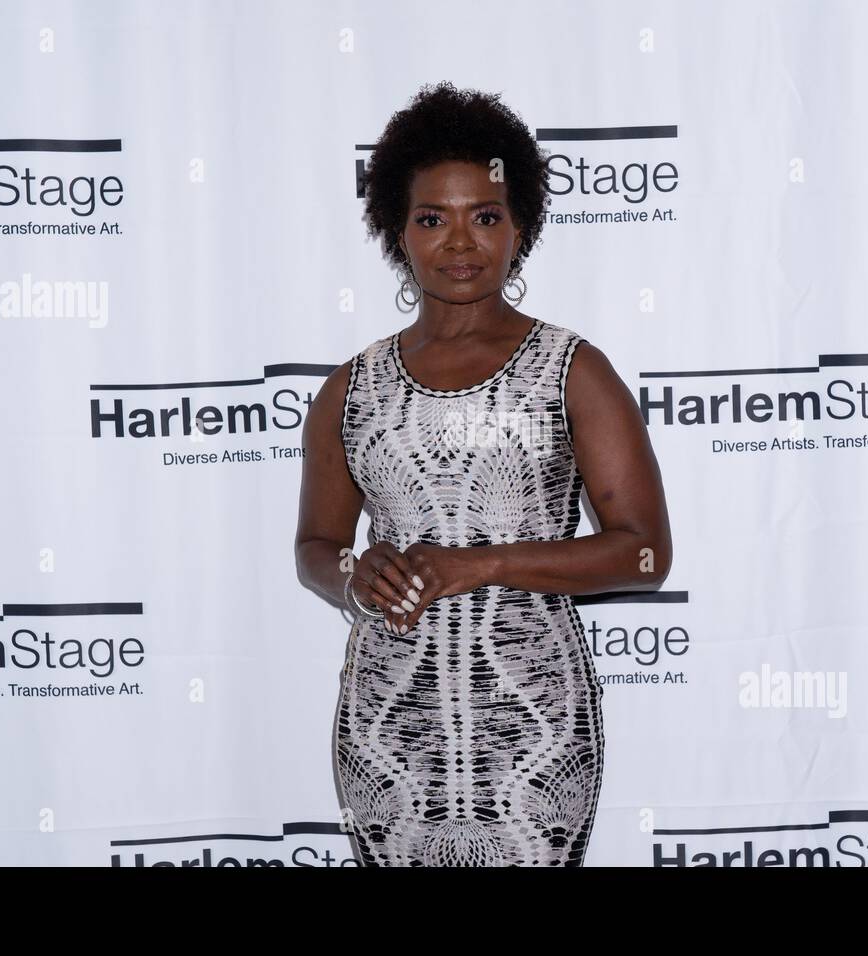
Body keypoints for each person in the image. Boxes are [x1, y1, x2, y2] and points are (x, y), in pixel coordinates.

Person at [295, 82, 672, 866]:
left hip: (533, 724)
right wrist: (355, 575)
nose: (460, 242)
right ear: (395, 231)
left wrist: (484, 563)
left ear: (520, 228)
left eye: (486, 217)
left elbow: (644, 553)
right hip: (388, 726)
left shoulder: (573, 371)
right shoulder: (351, 388)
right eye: (432, 218)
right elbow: (316, 547)